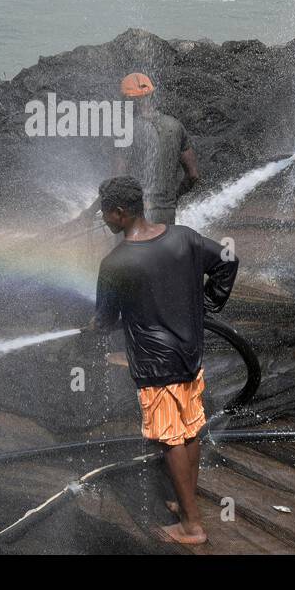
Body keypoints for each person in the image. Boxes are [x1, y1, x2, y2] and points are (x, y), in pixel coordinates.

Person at [91, 175, 239, 545]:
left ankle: (191, 525)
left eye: (106, 214)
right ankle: (181, 499)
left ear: (121, 213)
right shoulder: (184, 237)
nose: (104, 220)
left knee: (170, 438)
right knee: (189, 429)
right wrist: (205, 304)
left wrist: (90, 328)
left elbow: (106, 322)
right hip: (190, 355)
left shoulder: (116, 263)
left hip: (156, 366)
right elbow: (228, 259)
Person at [115, 72, 200, 225]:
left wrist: (88, 213)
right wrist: (172, 199)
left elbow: (117, 182)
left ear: (128, 101)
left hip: (137, 216)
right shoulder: (175, 125)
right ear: (151, 95)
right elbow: (193, 175)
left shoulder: (126, 131)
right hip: (166, 214)